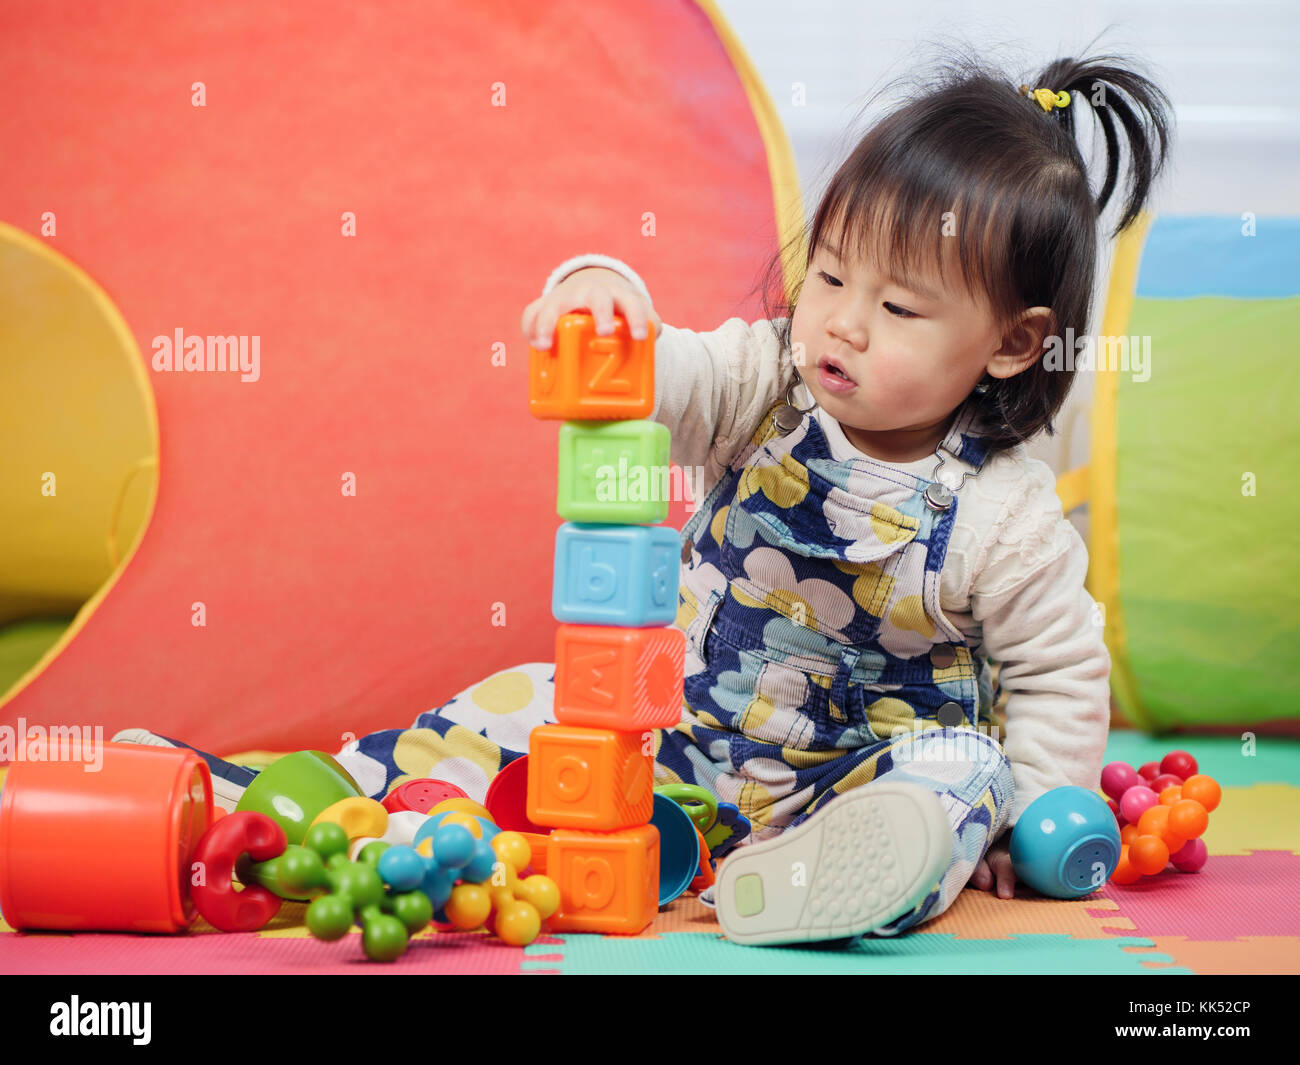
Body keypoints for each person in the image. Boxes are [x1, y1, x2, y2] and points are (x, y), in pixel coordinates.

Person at [119, 47, 1173, 947]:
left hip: (853, 781)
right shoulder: (766, 378)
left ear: (1012, 344)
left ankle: (820, 888)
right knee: (514, 698)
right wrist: (600, 295)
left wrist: (1028, 816)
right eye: (831, 274)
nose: (843, 322)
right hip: (673, 740)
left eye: (897, 306)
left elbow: (1058, 672)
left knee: (967, 772)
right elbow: (661, 370)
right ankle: (257, 792)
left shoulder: (1002, 515)